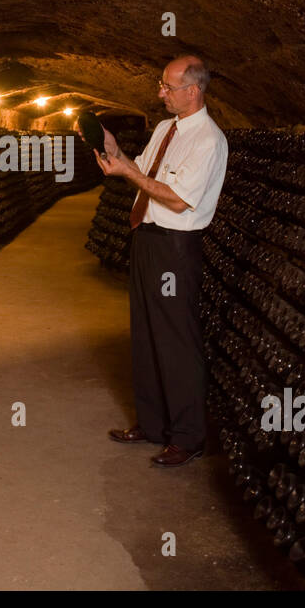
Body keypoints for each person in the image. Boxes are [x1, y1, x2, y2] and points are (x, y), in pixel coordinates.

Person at [94, 55, 228, 466]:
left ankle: (187, 437)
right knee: (146, 334)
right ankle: (152, 425)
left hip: (175, 246)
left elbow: (176, 197)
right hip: (148, 238)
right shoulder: (165, 128)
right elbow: (147, 175)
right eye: (160, 85)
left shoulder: (208, 139)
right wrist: (120, 156)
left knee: (176, 341)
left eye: (167, 88)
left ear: (193, 91)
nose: (160, 93)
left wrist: (127, 175)